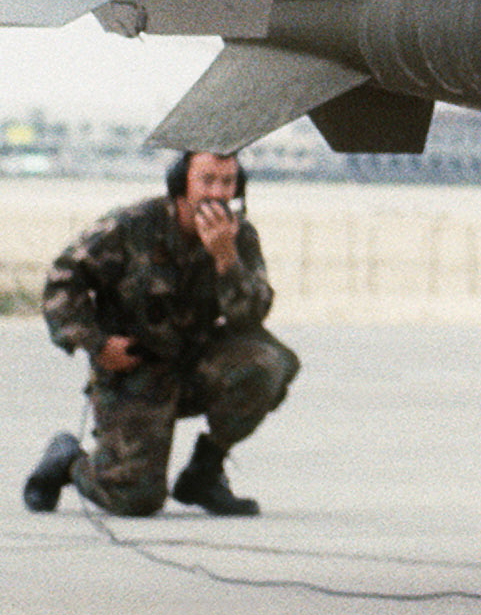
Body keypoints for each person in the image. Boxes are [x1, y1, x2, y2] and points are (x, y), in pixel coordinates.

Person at [19, 149, 299, 518]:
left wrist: (226, 259)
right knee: (135, 499)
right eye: (207, 180)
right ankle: (68, 460)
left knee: (269, 365)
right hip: (134, 368)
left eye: (227, 182)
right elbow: (62, 282)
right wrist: (97, 344)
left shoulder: (237, 236)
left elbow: (250, 318)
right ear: (181, 183)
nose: (217, 192)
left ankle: (205, 473)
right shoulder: (131, 226)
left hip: (195, 361)